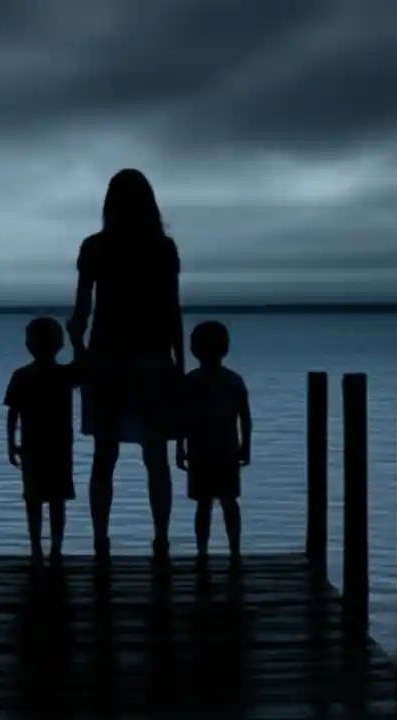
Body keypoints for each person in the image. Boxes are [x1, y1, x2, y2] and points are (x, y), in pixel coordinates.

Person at [67, 168, 184, 564]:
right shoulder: (162, 248)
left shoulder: (95, 247)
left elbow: (81, 310)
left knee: (105, 454)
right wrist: (179, 365)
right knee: (156, 457)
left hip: (107, 358)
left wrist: (79, 352)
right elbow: (172, 312)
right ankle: (161, 538)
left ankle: (101, 539)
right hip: (152, 359)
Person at [5, 317, 81, 567]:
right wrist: (77, 339)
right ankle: (55, 548)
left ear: (28, 345)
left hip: (33, 447)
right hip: (58, 448)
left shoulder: (21, 376)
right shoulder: (65, 375)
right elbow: (86, 365)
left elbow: (12, 414)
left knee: (34, 500)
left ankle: (37, 547)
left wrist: (10, 444)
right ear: (59, 344)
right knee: (56, 501)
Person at [177, 321, 251, 569]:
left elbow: (181, 420)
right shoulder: (234, 381)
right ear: (225, 349)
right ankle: (234, 550)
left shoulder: (191, 381)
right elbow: (245, 418)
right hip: (225, 450)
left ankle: (203, 551)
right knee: (227, 502)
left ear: (194, 349)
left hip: (201, 451)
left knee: (204, 505)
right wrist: (246, 446)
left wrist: (179, 447)